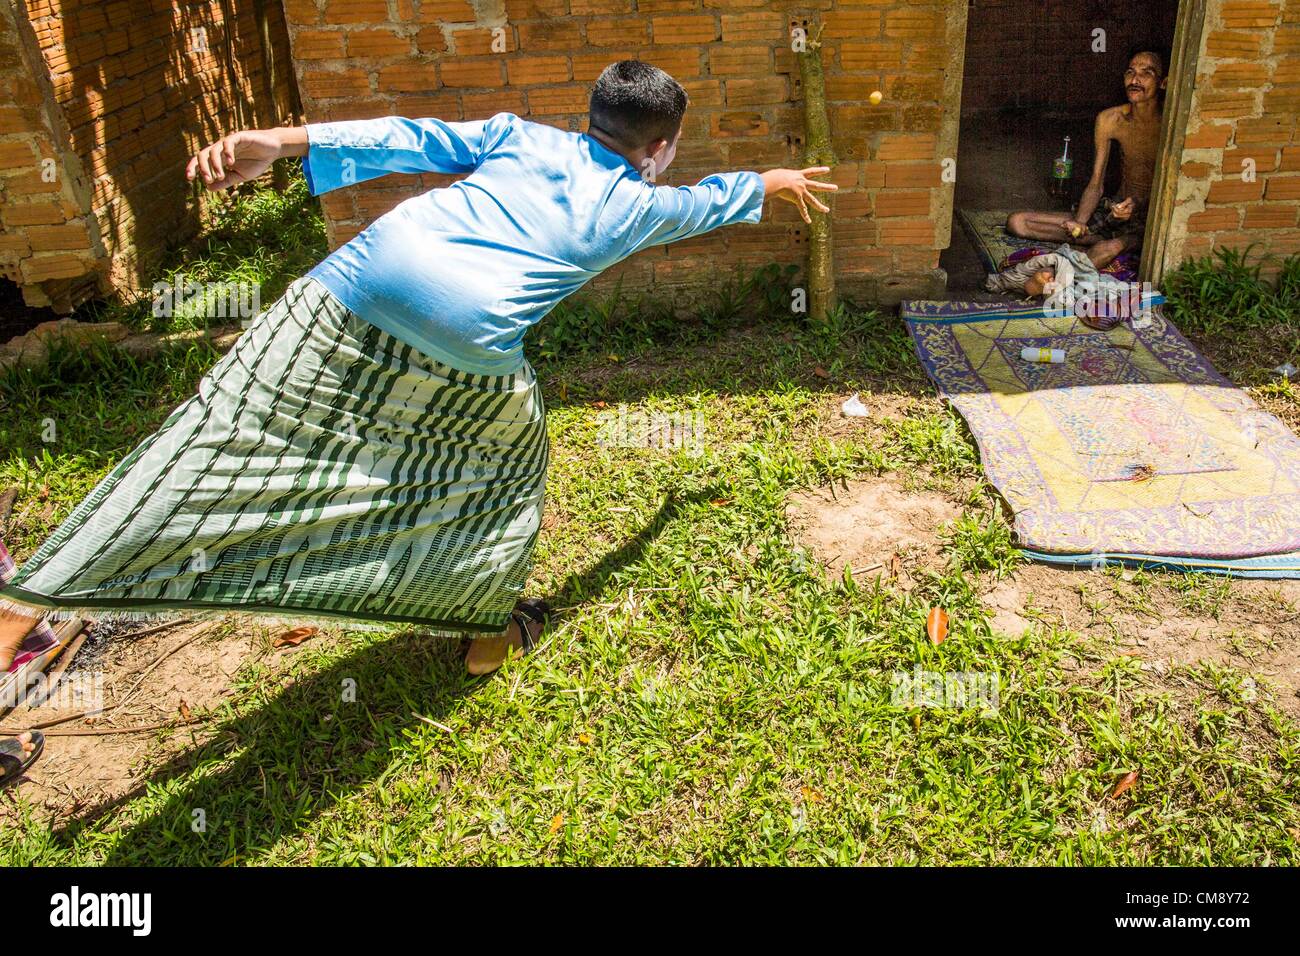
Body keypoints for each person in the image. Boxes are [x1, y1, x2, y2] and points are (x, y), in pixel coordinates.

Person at [0, 61, 836, 682]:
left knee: (208, 441)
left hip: (340, 291)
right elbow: (719, 198)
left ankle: (28, 599)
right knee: (506, 470)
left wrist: (280, 143)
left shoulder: (521, 135)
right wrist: (775, 180)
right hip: (465, 343)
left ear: (591, 117)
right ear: (661, 149)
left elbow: (407, 135)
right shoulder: (642, 206)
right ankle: (482, 636)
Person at [1005, 50, 1166, 269]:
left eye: (1146, 73)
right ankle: (1097, 237)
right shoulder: (1110, 120)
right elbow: (1096, 182)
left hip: (1147, 220)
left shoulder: (1169, 125)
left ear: (1163, 82)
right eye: (1130, 72)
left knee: (1110, 248)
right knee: (1018, 222)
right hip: (1113, 212)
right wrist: (1080, 222)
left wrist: (1137, 205)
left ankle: (1064, 276)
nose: (1135, 80)